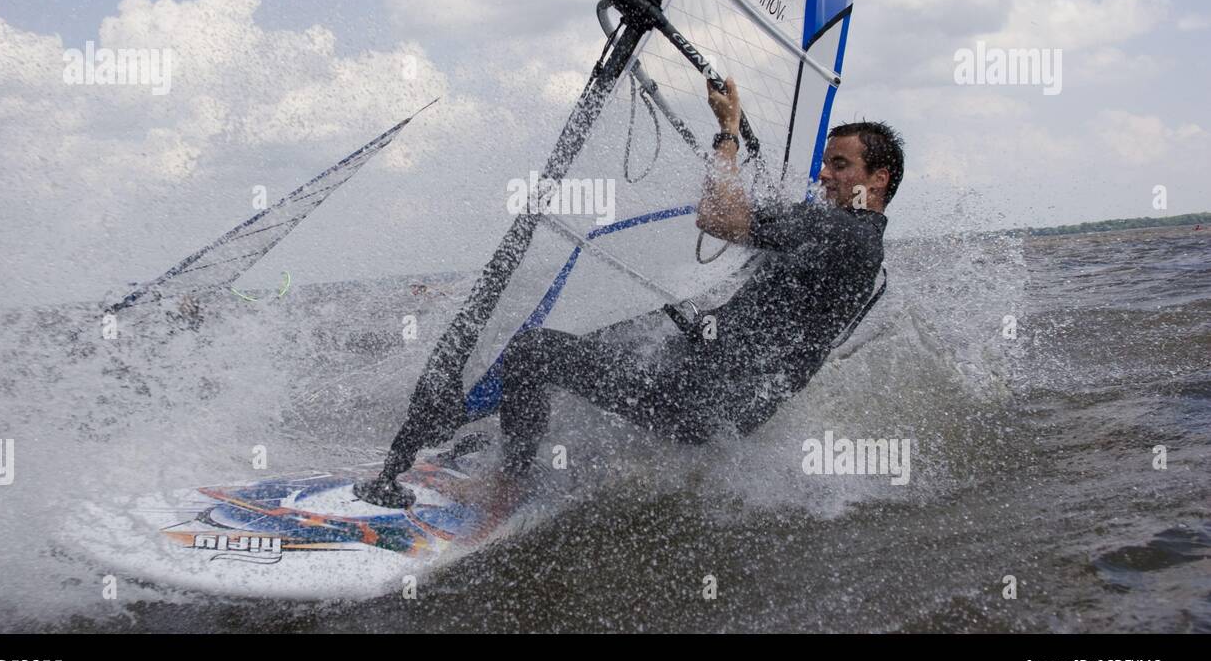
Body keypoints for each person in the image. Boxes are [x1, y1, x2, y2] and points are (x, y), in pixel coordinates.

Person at [355, 75, 904, 508]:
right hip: (724, 397)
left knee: (533, 351)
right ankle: (498, 444)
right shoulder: (853, 241)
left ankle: (506, 486)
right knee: (615, 330)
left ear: (877, 180)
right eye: (826, 162)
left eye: (840, 165)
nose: (824, 176)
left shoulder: (843, 232)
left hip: (698, 402)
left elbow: (719, 215)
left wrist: (727, 131)